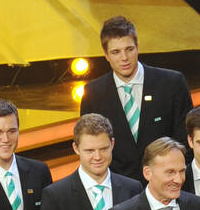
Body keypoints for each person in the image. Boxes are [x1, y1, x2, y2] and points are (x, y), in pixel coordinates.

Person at [80, 15, 192, 183]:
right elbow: (90, 144)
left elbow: (185, 138)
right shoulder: (94, 93)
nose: (124, 58)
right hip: (119, 190)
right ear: (106, 54)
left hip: (166, 183)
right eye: (116, 52)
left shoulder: (171, 83)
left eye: (129, 49)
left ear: (138, 47)